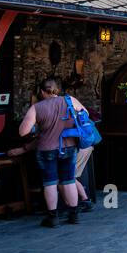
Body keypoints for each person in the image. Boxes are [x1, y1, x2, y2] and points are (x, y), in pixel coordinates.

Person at [19, 78, 87, 228]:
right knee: (68, 180)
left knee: (50, 182)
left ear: (42, 91)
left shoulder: (37, 107)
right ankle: (74, 215)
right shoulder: (70, 100)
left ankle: (53, 218)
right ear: (57, 90)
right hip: (69, 146)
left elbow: (22, 131)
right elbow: (86, 115)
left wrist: (36, 128)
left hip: (46, 149)